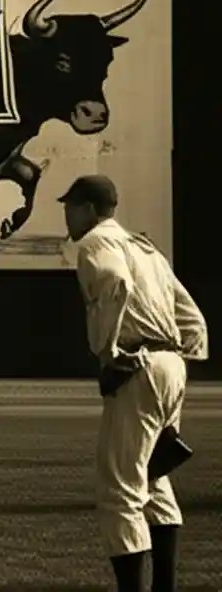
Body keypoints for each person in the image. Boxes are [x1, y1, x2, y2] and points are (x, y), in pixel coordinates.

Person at [59, 174, 208, 592]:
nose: (66, 214)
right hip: (170, 362)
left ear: (88, 208)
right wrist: (181, 358)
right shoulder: (146, 248)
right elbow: (191, 316)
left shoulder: (95, 244)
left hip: (137, 364)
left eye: (69, 206)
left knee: (119, 491)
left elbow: (116, 283)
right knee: (154, 481)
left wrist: (110, 354)